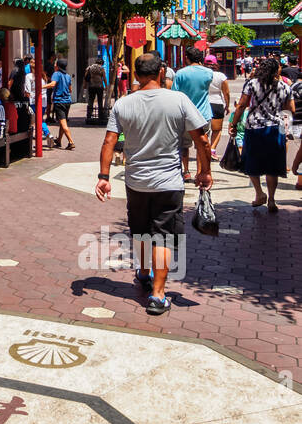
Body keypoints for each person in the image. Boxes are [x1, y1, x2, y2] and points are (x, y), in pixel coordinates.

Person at [96, 50, 212, 317]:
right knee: (163, 237)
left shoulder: (123, 104)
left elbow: (109, 142)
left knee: (140, 230)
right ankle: (158, 296)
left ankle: (144, 272)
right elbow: (202, 140)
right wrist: (204, 171)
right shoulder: (179, 101)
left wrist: (103, 177)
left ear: (135, 75)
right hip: (169, 183)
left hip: (136, 182)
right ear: (161, 72)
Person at [227, 55, 294, 211]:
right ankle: (271, 199)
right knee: (272, 166)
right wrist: (286, 129)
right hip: (275, 129)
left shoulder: (252, 84)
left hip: (254, 127)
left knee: (252, 161)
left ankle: (259, 193)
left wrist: (234, 123)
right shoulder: (285, 87)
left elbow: (241, 105)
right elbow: (290, 109)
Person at [172, 45, 214, 182]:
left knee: (184, 145)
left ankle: (186, 171)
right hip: (204, 114)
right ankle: (200, 172)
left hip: (185, 115)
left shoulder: (180, 74)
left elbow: (175, 94)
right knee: (202, 145)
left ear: (187, 58)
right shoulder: (208, 73)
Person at [45, 57, 75, 150]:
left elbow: (53, 84)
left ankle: (71, 142)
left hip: (59, 101)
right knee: (63, 121)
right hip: (67, 101)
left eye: (55, 64)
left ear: (58, 66)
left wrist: (40, 86)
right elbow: (70, 90)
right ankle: (59, 140)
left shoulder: (56, 74)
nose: (54, 65)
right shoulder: (68, 76)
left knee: (63, 123)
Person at [205, 55, 230, 160]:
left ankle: (204, 149)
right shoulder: (221, 76)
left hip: (204, 103)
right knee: (217, 130)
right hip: (217, 103)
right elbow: (226, 92)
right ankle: (212, 149)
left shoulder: (202, 75)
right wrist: (227, 105)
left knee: (204, 130)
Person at [84, 56, 107, 123]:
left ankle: (89, 114)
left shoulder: (89, 68)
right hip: (99, 86)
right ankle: (100, 115)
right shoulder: (101, 68)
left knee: (91, 100)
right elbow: (104, 78)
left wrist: (85, 85)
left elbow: (85, 77)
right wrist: (106, 86)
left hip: (91, 85)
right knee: (100, 101)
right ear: (102, 63)